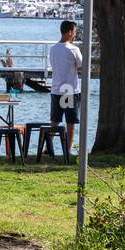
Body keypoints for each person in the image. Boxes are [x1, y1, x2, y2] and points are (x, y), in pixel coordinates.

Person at [49, 20, 83, 152]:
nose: (74, 35)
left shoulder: (53, 49)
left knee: (55, 121)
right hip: (69, 90)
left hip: (56, 89)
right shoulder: (74, 49)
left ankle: (48, 145)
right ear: (69, 32)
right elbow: (81, 67)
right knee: (70, 123)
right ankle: (67, 150)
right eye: (74, 32)